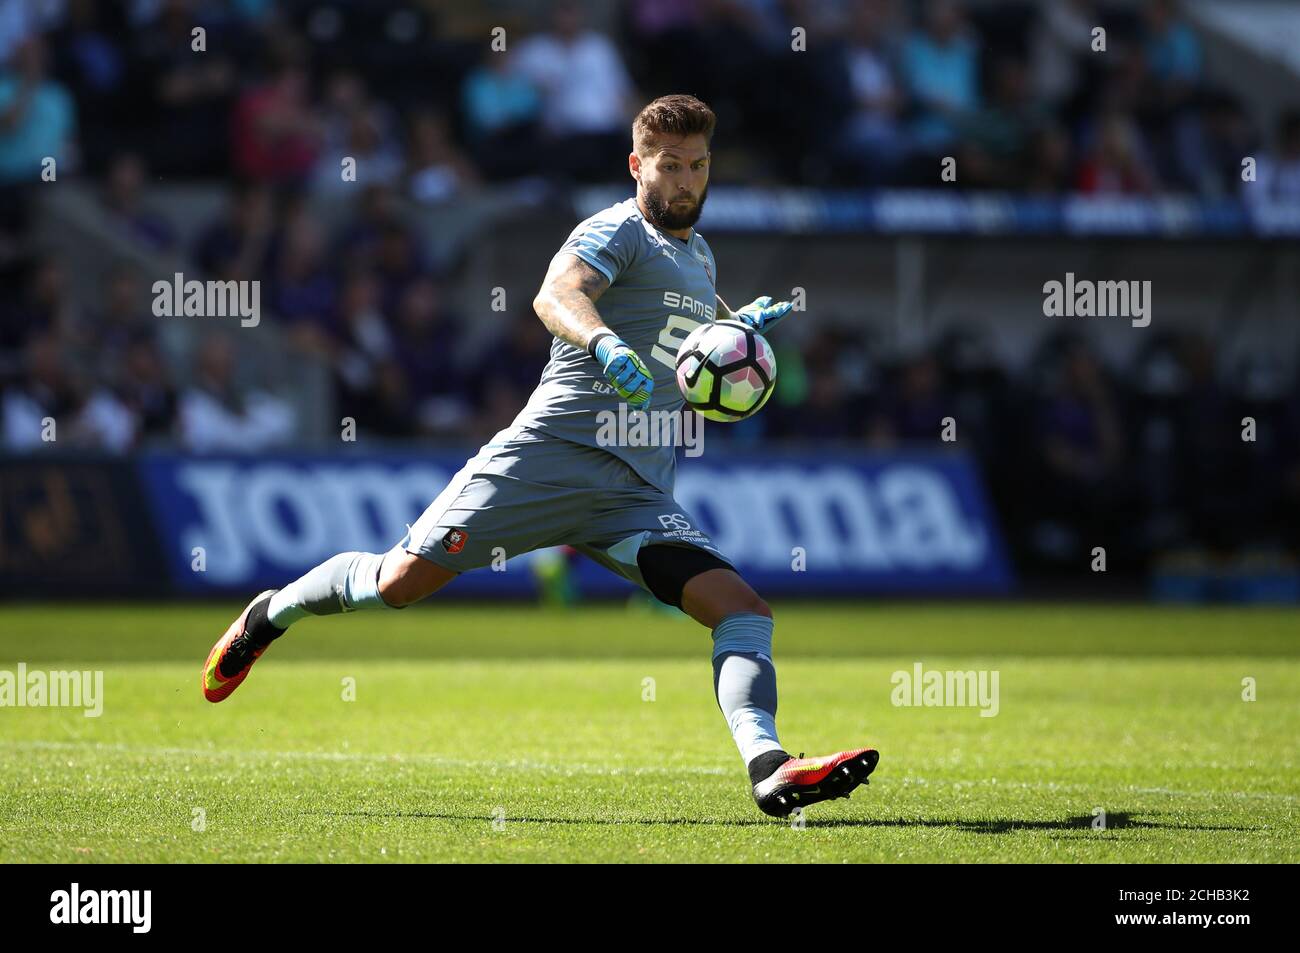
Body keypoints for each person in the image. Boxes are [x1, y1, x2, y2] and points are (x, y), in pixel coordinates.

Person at [201, 95, 878, 818]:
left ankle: (770, 768)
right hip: (545, 461)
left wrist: (736, 325)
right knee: (397, 582)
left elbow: (682, 330)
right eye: (670, 165)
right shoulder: (614, 230)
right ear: (637, 165)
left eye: (699, 165)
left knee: (743, 610)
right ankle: (271, 614)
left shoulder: (699, 253)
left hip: (634, 489)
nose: (685, 181)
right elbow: (557, 294)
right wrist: (602, 341)